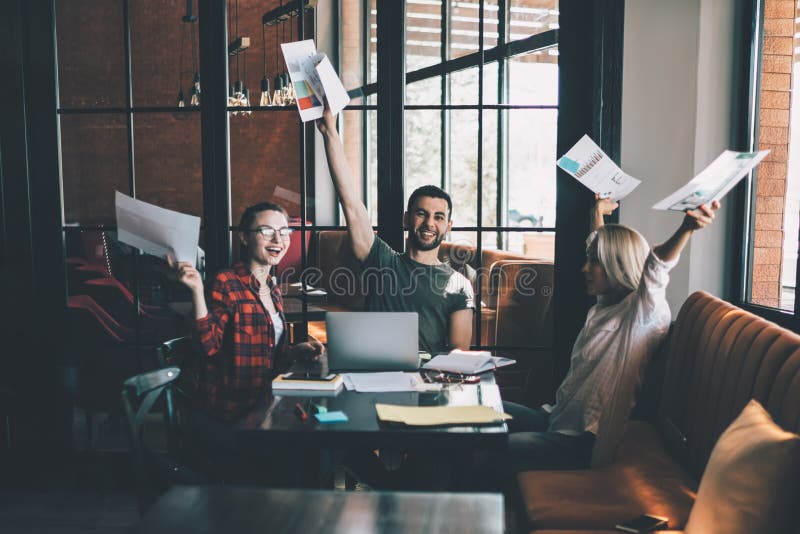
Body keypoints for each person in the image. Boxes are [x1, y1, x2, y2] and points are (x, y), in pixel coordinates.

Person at [484, 195, 720, 486]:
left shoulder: (642, 312)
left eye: (593, 262)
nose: (584, 268)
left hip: (580, 443)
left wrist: (687, 227)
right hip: (555, 420)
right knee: (482, 409)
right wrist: (597, 212)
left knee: (487, 448)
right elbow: (598, 243)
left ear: (617, 264)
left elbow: (656, 268)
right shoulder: (603, 304)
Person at [316, 106, 474, 355]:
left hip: (425, 381)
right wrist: (330, 133)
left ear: (448, 227)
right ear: (406, 219)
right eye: (421, 213)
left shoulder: (459, 285)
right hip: (371, 372)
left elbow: (459, 352)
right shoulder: (382, 260)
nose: (429, 223)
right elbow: (351, 204)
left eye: (438, 217)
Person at [172, 201, 323, 420]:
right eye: (266, 231)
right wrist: (196, 290)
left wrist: (298, 350)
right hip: (233, 413)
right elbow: (207, 348)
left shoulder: (272, 287)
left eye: (284, 232)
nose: (278, 240)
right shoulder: (226, 282)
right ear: (244, 237)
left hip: (268, 406)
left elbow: (268, 355)